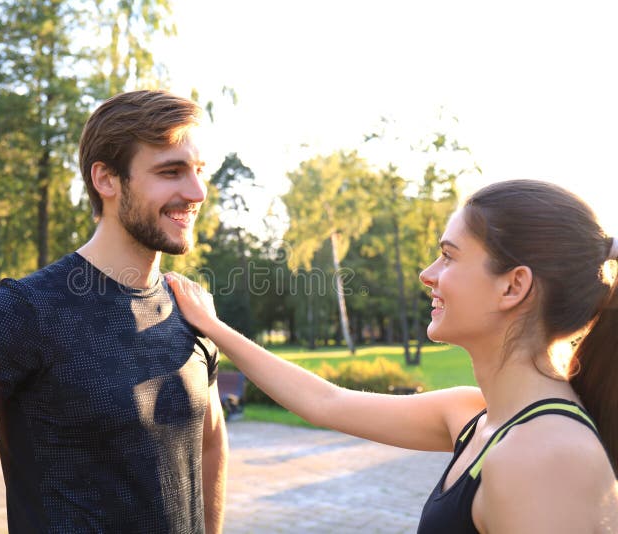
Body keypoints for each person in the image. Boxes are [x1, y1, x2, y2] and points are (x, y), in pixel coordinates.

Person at [0, 90, 228, 533]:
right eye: (171, 171)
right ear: (106, 179)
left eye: (199, 171)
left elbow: (209, 447)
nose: (197, 192)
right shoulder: (27, 312)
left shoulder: (192, 309)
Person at [167, 179, 618, 533]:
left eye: (448, 256)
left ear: (513, 286)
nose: (428, 274)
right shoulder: (478, 416)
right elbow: (326, 403)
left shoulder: (548, 456)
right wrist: (213, 327)